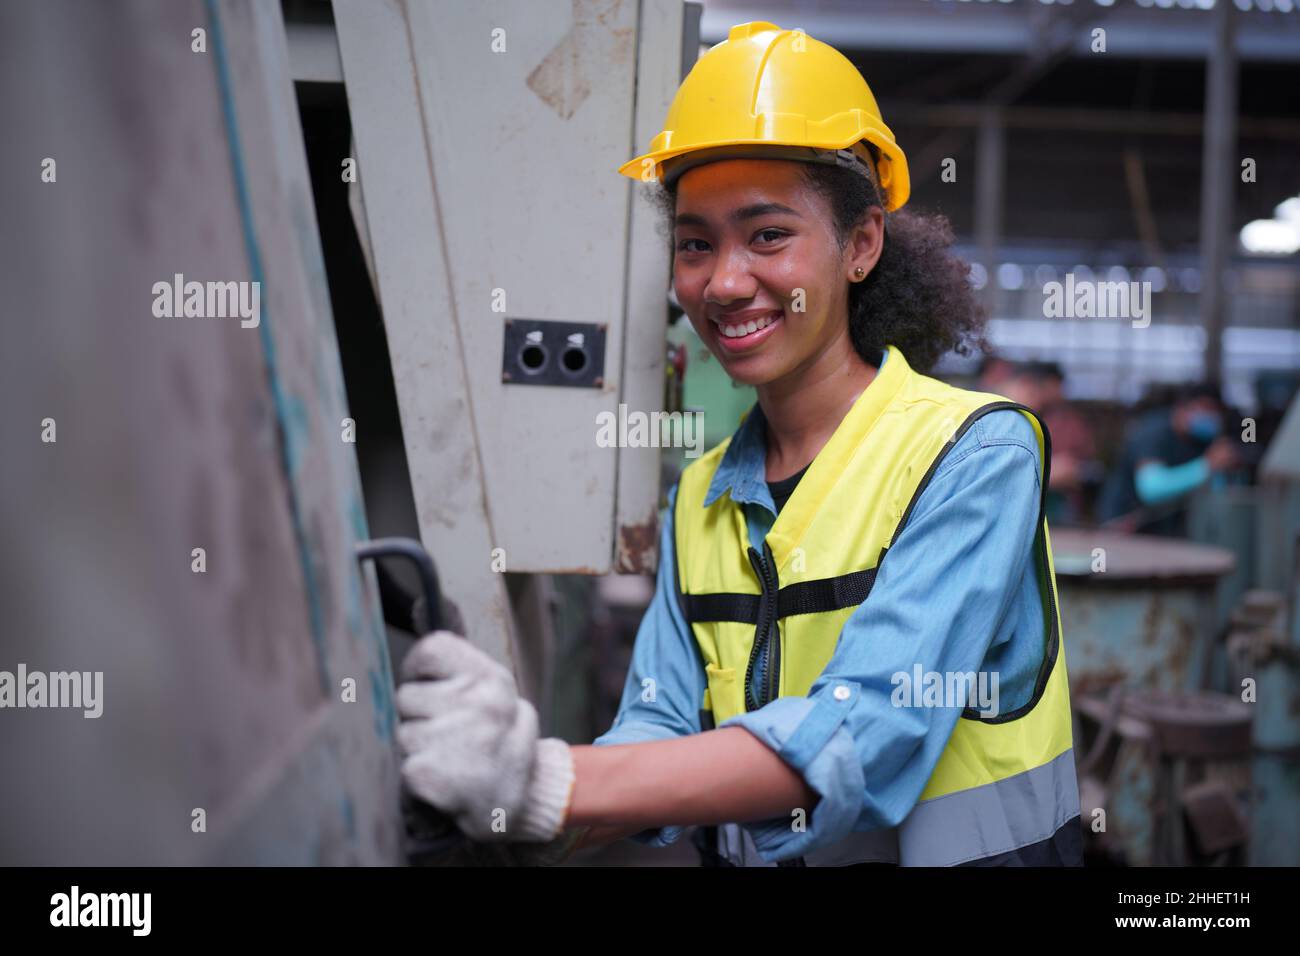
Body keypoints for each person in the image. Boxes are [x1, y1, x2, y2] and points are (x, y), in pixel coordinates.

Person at [393, 21, 1082, 867]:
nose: (722, 282)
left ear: (860, 245)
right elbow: (657, 720)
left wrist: (546, 781)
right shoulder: (703, 495)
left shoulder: (975, 454)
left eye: (767, 235)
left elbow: (868, 728)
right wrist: (498, 794)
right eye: (695, 243)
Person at [1098, 382, 1239, 537]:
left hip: (1166, 532)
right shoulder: (1153, 432)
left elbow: (1216, 492)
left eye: (1215, 411)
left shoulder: (1203, 440)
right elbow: (1152, 489)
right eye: (1205, 408)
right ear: (1182, 408)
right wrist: (1207, 466)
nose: (1210, 416)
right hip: (1124, 528)